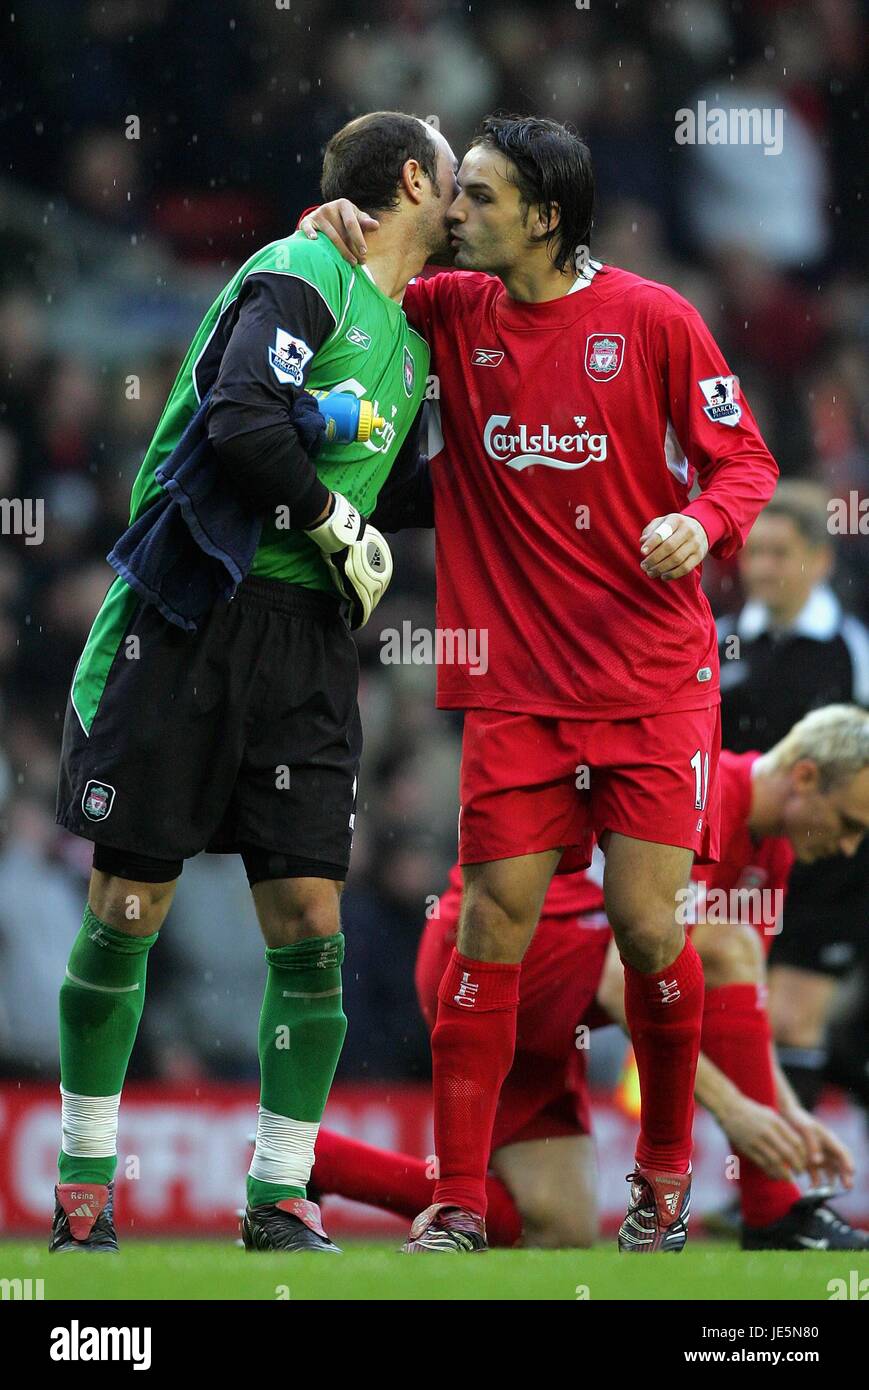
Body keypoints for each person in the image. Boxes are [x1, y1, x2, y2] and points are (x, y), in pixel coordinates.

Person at [303, 113, 779, 1251]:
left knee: (645, 927)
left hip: (653, 682)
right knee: (488, 924)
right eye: (452, 192)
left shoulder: (654, 319)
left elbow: (745, 457)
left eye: (476, 196)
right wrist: (330, 238)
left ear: (545, 217)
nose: (453, 211)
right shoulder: (449, 310)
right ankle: (456, 1201)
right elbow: (344, 292)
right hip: (511, 688)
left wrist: (698, 518)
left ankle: (662, 1183)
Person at [50, 111, 458, 1254]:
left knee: (311, 923)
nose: (465, 193)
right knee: (129, 906)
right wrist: (332, 518)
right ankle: (85, 1185)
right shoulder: (299, 269)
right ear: (413, 178)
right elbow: (238, 419)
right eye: (453, 168)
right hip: (195, 612)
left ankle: (278, 1194)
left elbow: (402, 485)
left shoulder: (413, 340)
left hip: (309, 644)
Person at [313, 706, 869, 1251]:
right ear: (804, 777)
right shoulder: (704, 796)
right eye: (848, 824)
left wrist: (786, 1116)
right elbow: (621, 986)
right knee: (723, 943)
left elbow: (733, 1006)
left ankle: (317, 1161)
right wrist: (737, 1113)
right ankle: (771, 1213)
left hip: (555, 992)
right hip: (503, 959)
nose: (847, 846)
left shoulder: (773, 847)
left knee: (556, 1226)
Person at [717, 480, 869, 1115]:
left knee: (790, 1019)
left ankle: (785, 1193)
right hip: (740, 860)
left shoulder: (852, 650)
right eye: (755, 552)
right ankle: (767, 1189)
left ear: (820, 561)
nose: (763, 568)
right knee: (745, 1019)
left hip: (831, 868)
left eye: (781, 553)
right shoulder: (717, 638)